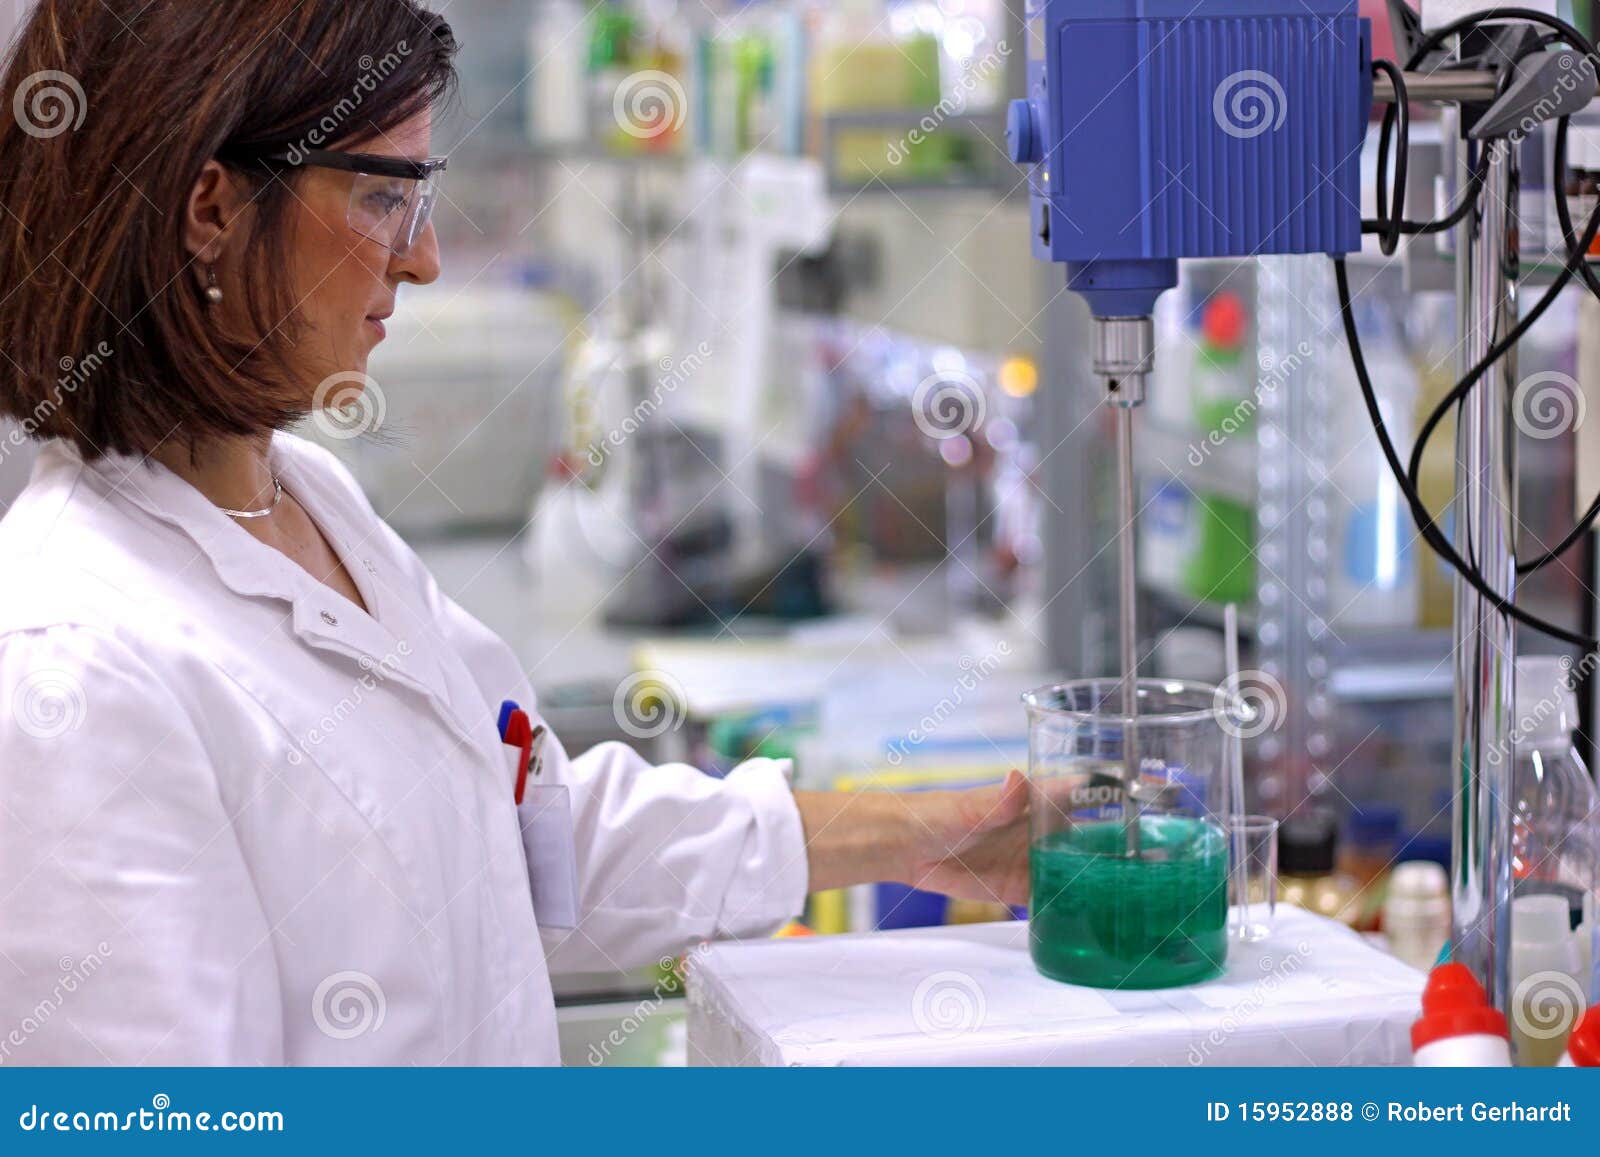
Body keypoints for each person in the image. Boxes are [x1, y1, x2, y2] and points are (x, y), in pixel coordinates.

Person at [0, 1, 1027, 1065]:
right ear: (212, 209)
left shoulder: (310, 501)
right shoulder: (77, 664)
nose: (424, 259)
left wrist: (943, 829)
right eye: (382, 196)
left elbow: (535, 839)